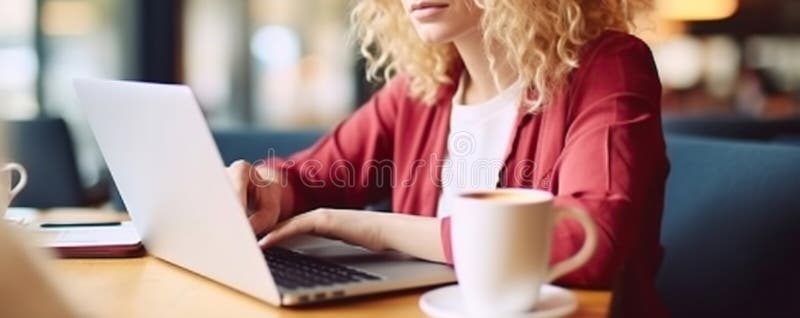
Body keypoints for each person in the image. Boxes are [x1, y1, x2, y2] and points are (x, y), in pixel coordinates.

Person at [227, 0, 668, 316]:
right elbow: (312, 175)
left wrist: (378, 229)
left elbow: (588, 240)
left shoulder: (611, 66)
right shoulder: (421, 90)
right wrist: (263, 189)